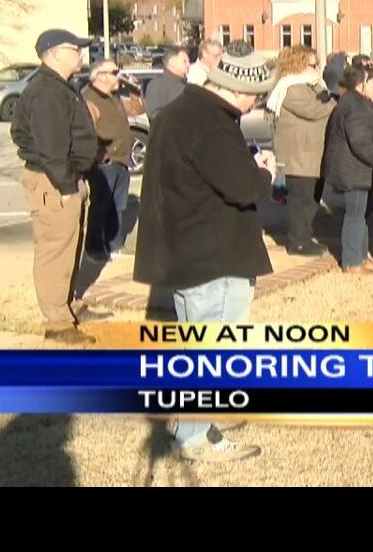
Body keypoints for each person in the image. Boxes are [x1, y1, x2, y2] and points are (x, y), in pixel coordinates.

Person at [134, 44, 278, 462]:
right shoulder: (211, 124)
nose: (256, 105)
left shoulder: (179, 112)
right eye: (257, 98)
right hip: (212, 255)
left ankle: (196, 424)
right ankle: (195, 437)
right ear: (242, 93)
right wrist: (264, 171)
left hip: (186, 249)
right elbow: (243, 187)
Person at [10, 28, 101, 344]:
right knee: (55, 250)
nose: (80, 54)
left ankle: (65, 305)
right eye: (74, 49)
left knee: (69, 246)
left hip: (67, 178)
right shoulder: (47, 92)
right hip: (54, 183)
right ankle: (57, 323)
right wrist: (66, 188)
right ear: (54, 53)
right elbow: (52, 148)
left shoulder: (60, 87)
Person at [267, 46, 335, 256]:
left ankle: (304, 235)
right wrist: (334, 100)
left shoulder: (312, 85)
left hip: (312, 155)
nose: (317, 68)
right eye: (313, 64)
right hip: (299, 156)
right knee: (301, 200)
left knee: (312, 198)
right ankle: (298, 241)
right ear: (298, 64)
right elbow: (315, 110)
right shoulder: (290, 87)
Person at [323, 60, 373, 274]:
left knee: (361, 215)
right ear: (360, 84)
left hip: (355, 170)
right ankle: (352, 261)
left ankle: (361, 255)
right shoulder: (356, 106)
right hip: (355, 171)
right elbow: (361, 143)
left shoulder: (354, 101)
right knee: (355, 216)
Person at [81, 59, 135, 262]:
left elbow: (137, 108)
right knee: (101, 206)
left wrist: (133, 89)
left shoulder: (114, 97)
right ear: (100, 76)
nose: (118, 75)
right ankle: (94, 249)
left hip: (122, 160)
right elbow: (87, 131)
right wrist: (99, 156)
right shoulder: (90, 98)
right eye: (114, 72)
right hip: (105, 163)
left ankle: (114, 244)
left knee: (118, 205)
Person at [143, 46, 190, 118]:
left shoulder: (186, 85)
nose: (188, 65)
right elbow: (154, 114)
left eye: (188, 61)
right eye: (184, 61)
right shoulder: (157, 85)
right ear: (171, 63)